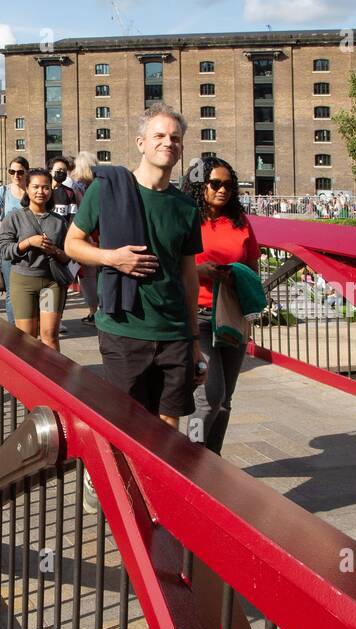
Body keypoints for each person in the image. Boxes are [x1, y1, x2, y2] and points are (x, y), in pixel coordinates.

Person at [64, 103, 204, 434]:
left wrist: (194, 341)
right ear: (141, 143)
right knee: (125, 426)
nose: (168, 142)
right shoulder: (108, 188)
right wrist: (112, 258)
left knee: (169, 425)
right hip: (124, 328)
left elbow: (188, 276)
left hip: (174, 332)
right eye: (159, 135)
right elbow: (72, 244)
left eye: (175, 137)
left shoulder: (184, 206)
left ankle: (155, 486)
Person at [185, 156, 259, 455]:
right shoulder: (188, 218)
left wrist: (239, 278)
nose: (222, 190)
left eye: (229, 185)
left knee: (226, 400)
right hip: (197, 316)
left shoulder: (241, 222)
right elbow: (169, 264)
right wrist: (198, 271)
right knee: (209, 396)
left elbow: (252, 267)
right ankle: (189, 453)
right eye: (215, 183)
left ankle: (212, 463)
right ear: (200, 185)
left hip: (231, 315)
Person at [0, 168, 71, 350]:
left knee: (50, 336)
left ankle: (52, 377)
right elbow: (4, 250)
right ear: (27, 188)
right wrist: (28, 242)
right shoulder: (14, 217)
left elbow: (67, 256)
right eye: (35, 187)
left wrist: (54, 250)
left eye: (45, 187)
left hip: (51, 284)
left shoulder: (59, 221)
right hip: (24, 282)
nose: (40, 192)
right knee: (27, 338)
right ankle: (28, 378)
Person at [0, 156, 30, 325]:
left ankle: (29, 326)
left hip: (29, 246)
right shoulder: (3, 191)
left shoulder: (31, 191)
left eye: (20, 172)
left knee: (29, 288)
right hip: (7, 245)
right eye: (12, 171)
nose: (16, 175)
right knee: (11, 291)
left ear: (27, 172)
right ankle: (14, 329)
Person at [71, 151, 101, 325]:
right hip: (101, 234)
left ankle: (93, 310)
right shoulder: (101, 184)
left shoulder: (81, 187)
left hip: (88, 235)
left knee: (87, 276)